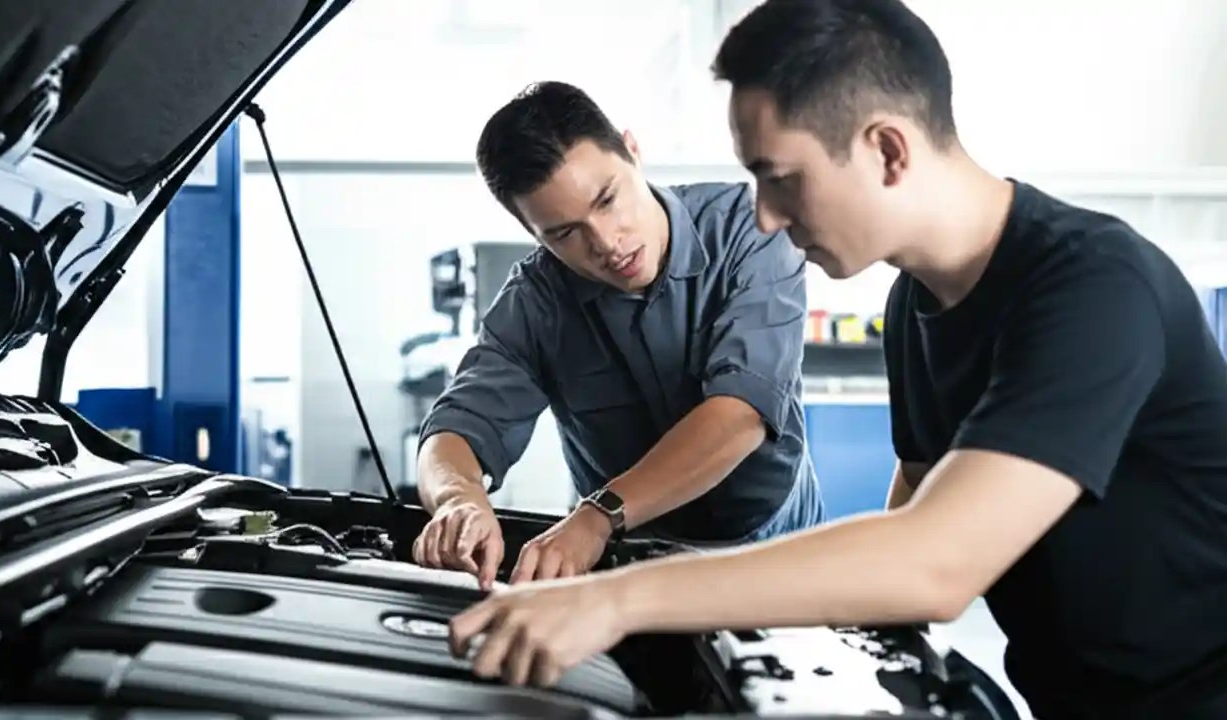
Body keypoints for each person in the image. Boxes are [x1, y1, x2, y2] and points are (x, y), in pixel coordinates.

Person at [445, 1, 1227, 717]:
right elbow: (908, 531)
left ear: (887, 149)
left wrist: (619, 599)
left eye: (779, 179)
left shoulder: (1093, 286)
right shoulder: (915, 306)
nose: (764, 214)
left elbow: (938, 565)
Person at [412, 81, 825, 590]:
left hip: (769, 537)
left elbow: (739, 414)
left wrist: (598, 514)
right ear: (534, 234)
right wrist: (458, 500)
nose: (606, 243)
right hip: (625, 554)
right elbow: (455, 429)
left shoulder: (751, 230)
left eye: (607, 199)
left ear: (632, 150)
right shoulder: (537, 302)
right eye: (565, 233)